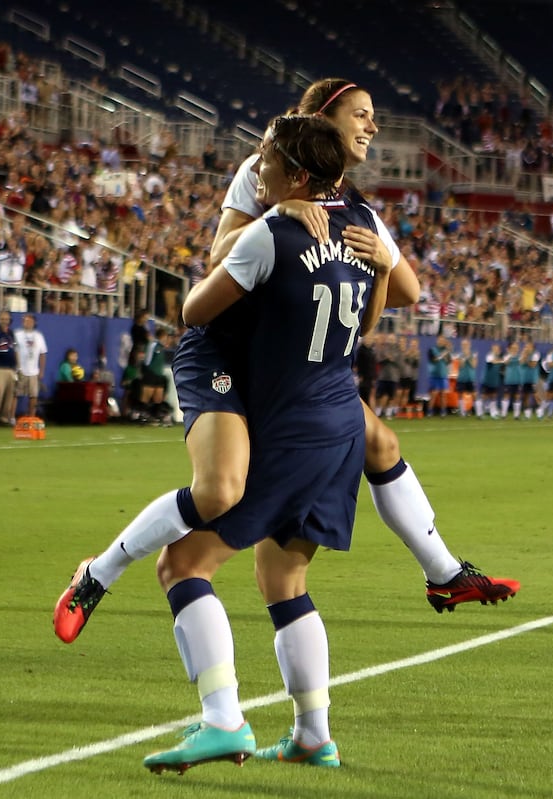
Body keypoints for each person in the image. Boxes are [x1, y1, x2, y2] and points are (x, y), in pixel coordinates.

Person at [54, 80, 517, 644]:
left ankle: (441, 575)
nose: (372, 127)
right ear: (323, 122)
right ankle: (98, 573)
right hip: (228, 349)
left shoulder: (354, 206)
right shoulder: (265, 169)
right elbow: (216, 257)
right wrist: (278, 213)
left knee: (370, 455)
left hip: (290, 360)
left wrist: (374, 267)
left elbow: (406, 292)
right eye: (361, 115)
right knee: (221, 492)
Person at [136, 114, 380, 773]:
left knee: (182, 563)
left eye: (266, 159)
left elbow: (194, 310)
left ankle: (221, 720)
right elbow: (371, 319)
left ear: (297, 175)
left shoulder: (272, 230)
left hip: (294, 425)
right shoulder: (368, 226)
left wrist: (256, 237)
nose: (255, 166)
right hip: (341, 421)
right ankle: (312, 734)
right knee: (284, 575)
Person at [13, 312, 46, 418]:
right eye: (25, 320)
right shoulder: (17, 334)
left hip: (34, 372)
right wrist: (18, 368)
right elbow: (14, 351)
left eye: (29, 320)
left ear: (34, 322)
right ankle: (11, 417)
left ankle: (31, 417)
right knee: (15, 394)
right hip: (20, 370)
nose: (27, 322)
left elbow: (43, 354)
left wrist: (41, 371)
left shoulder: (39, 336)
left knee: (33, 395)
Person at [0, 310, 16, 425]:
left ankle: (4, 417)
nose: (4, 321)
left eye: (6, 319)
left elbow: (14, 350)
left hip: (10, 369)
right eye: (2, 319)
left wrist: (16, 368)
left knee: (9, 394)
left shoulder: (11, 334)